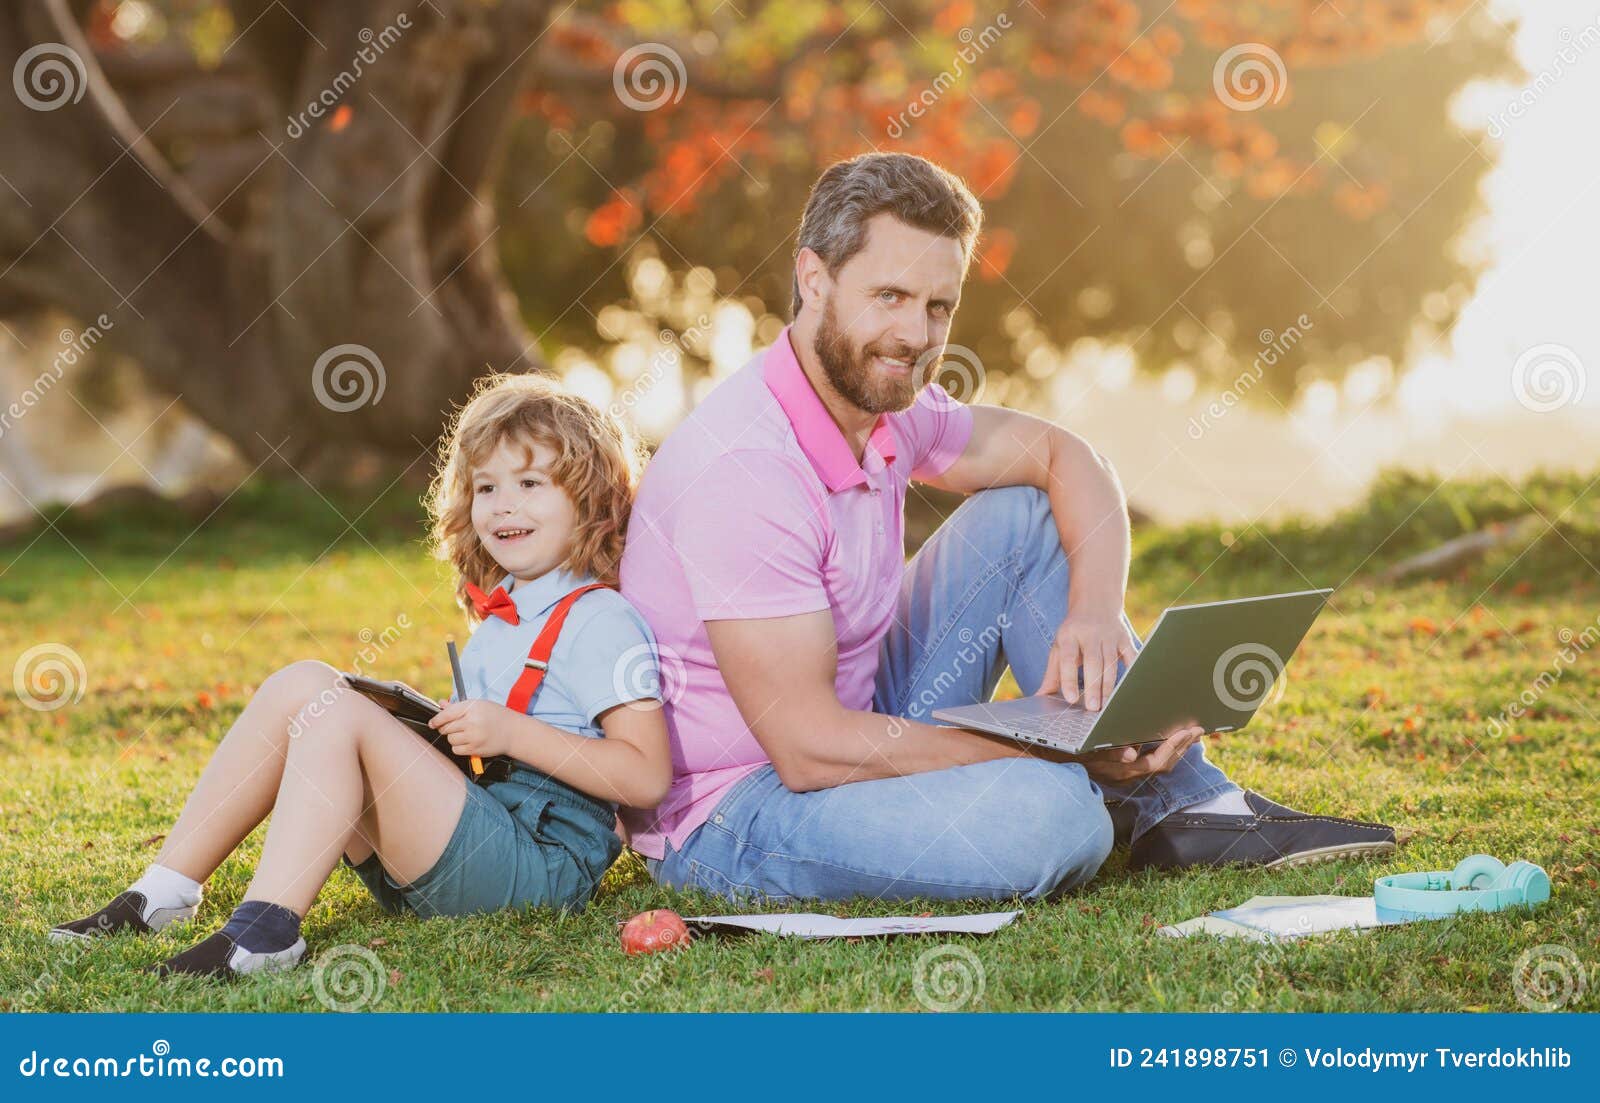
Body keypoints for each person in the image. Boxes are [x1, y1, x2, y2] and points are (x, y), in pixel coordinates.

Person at [618, 152, 1394, 903]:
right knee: (1052, 815)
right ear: (813, 278)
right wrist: (1045, 746)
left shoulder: (885, 408)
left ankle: (1187, 808)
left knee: (1025, 513)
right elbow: (808, 746)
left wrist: (1092, 611)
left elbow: (1067, 457)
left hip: (860, 720)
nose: (915, 336)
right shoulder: (749, 466)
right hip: (743, 808)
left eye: (937, 306)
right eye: (888, 295)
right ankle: (1098, 783)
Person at [49, 375, 670, 976]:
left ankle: (265, 933)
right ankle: (161, 894)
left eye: (530, 482)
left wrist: (510, 733)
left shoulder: (598, 619)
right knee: (303, 683)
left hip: (535, 871)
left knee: (339, 712)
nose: (503, 504)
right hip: (453, 851)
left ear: (590, 499)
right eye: (485, 488)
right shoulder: (505, 611)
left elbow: (644, 775)